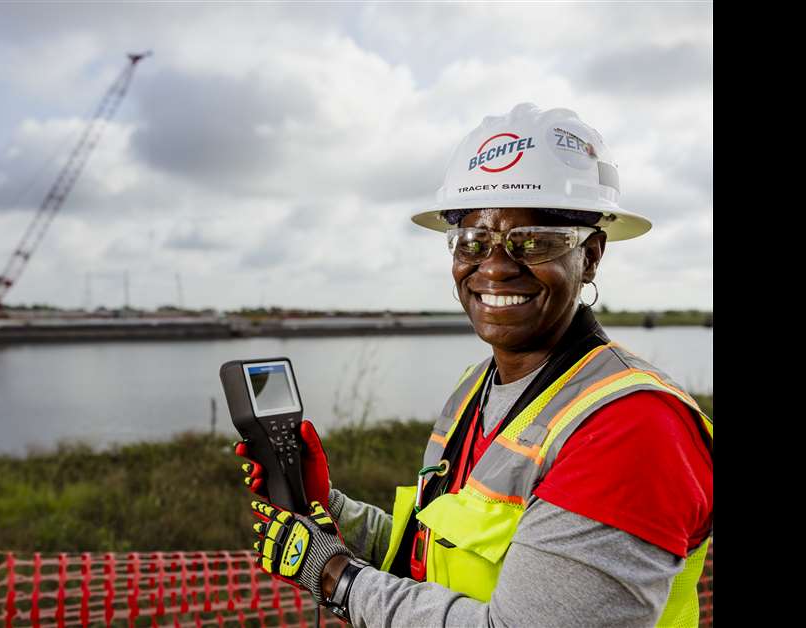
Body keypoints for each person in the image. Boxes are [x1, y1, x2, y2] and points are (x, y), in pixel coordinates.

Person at [237, 103, 713, 627]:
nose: (496, 267)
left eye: (533, 241)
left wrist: (336, 578)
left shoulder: (633, 429)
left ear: (592, 255)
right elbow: (429, 559)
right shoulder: (476, 389)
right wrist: (327, 509)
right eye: (474, 241)